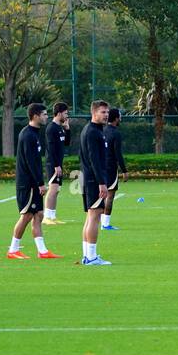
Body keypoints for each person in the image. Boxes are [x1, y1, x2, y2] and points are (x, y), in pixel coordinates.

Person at [8, 104, 59, 260]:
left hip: (33, 183)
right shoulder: (28, 135)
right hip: (28, 184)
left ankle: (42, 251)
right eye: (44, 114)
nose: (46, 117)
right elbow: (30, 163)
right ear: (35, 116)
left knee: (39, 214)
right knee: (27, 216)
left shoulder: (34, 134)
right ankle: (13, 249)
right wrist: (40, 183)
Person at [77, 100, 113, 266]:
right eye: (103, 112)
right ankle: (91, 257)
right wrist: (101, 182)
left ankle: (87, 256)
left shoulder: (93, 130)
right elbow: (94, 159)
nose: (106, 115)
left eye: (107, 112)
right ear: (94, 113)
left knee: (90, 217)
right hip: (93, 180)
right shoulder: (92, 132)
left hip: (88, 178)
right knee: (94, 216)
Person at [43, 101, 71, 225]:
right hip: (52, 164)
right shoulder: (51, 128)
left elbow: (67, 143)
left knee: (57, 189)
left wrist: (67, 129)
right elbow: (51, 148)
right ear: (59, 113)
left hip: (58, 163)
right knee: (53, 189)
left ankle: (53, 216)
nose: (67, 116)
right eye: (65, 113)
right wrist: (56, 165)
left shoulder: (60, 128)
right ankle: (46, 217)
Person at [101, 107, 127, 230]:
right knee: (110, 196)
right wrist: (124, 171)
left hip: (101, 167)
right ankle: (105, 224)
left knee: (101, 195)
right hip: (111, 168)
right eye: (120, 116)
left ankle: (99, 222)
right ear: (116, 118)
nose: (121, 118)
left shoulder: (102, 130)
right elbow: (118, 154)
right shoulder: (116, 133)